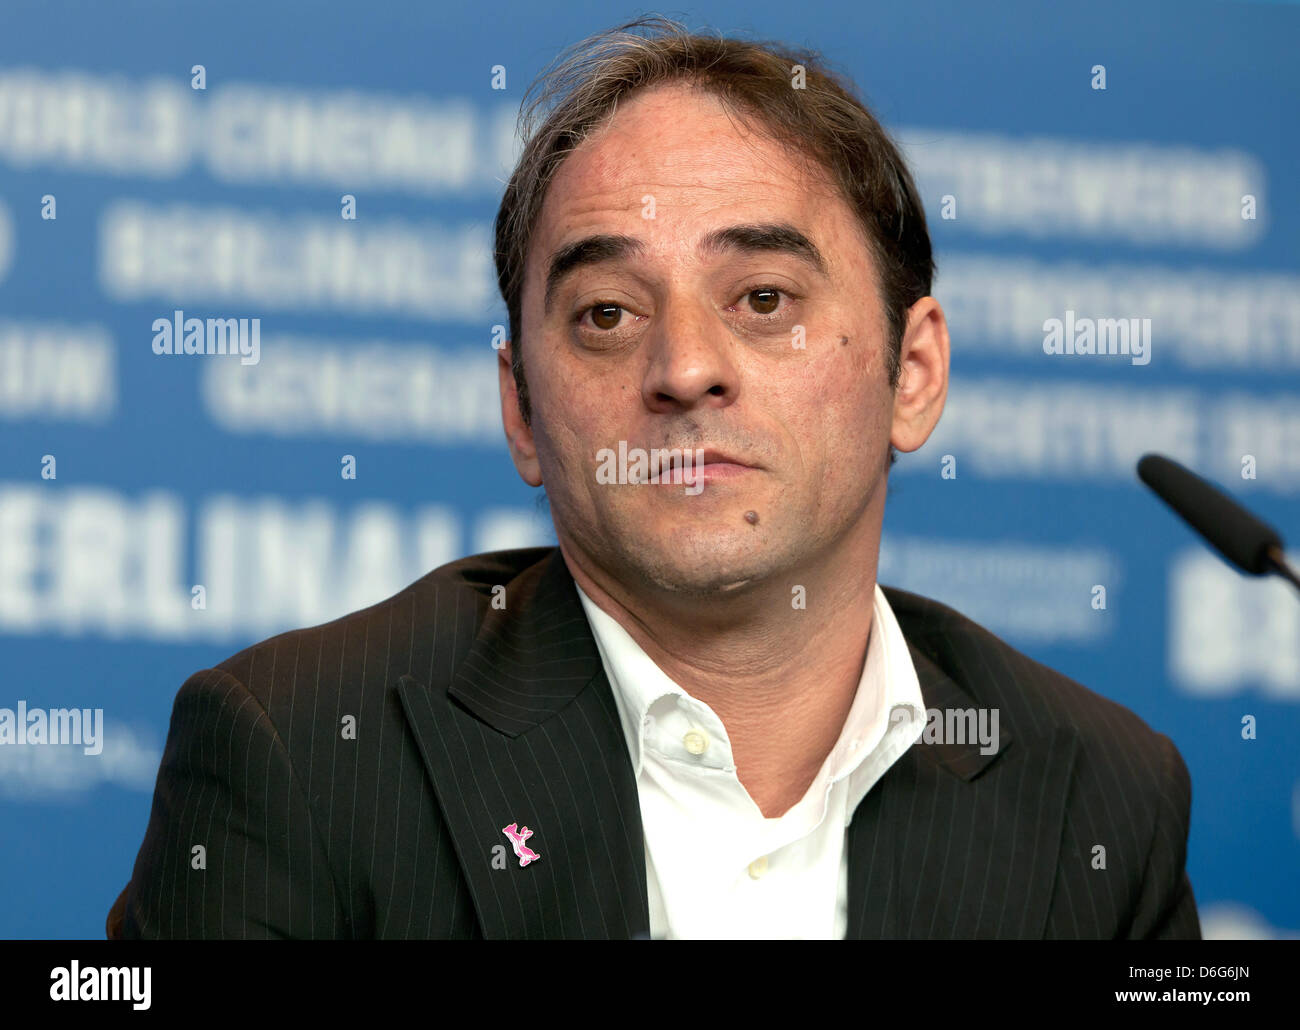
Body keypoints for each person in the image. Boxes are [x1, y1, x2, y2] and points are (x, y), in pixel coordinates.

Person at [109, 16, 1200, 940]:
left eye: (763, 298)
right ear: (523, 409)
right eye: (607, 315)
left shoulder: (1094, 794)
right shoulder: (302, 753)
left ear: (911, 373)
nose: (683, 369)